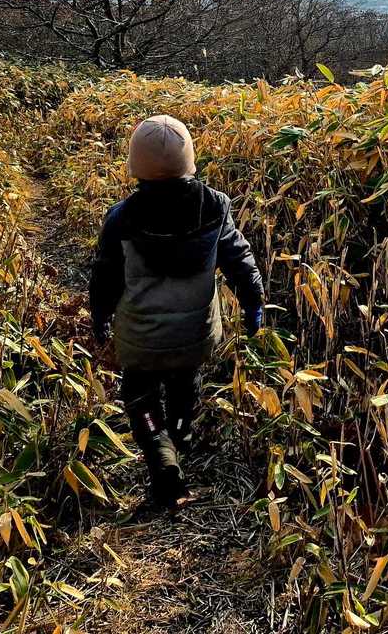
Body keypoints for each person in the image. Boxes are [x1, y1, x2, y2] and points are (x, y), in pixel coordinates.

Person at [88, 114, 266, 509]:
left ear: (135, 163)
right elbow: (239, 260)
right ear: (190, 159)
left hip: (141, 339)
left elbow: (105, 276)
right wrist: (253, 302)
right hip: (195, 335)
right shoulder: (215, 207)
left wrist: (99, 316)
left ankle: (161, 455)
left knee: (141, 400)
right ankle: (181, 433)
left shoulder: (121, 218)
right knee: (185, 386)